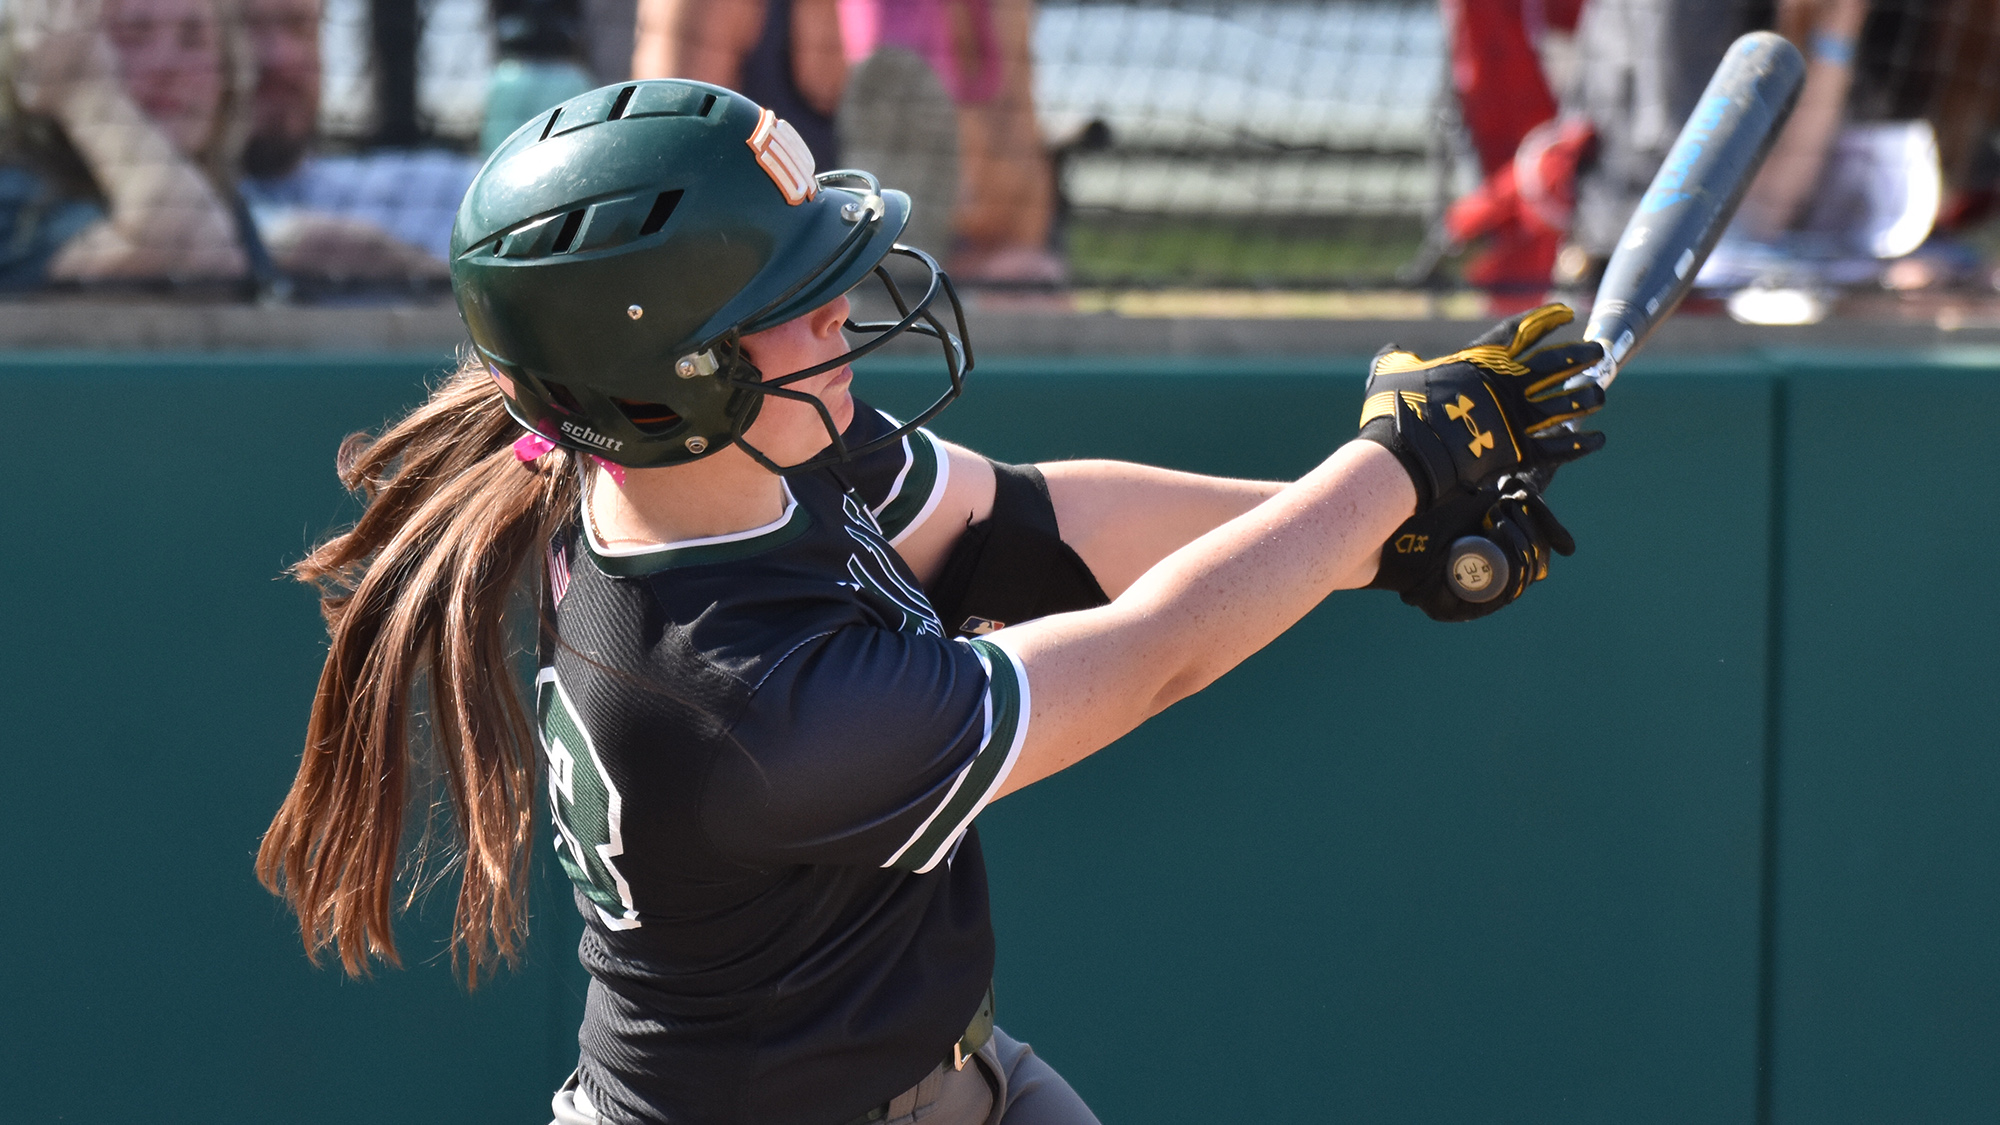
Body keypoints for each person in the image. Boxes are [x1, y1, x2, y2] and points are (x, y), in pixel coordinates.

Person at [256, 80, 1606, 1125]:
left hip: (947, 1078)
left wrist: (1385, 528)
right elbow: (1149, 657)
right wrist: (1385, 474)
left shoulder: (739, 456)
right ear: (671, 385)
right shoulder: (746, 705)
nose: (841, 306)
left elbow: (1036, 520)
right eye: (793, 298)